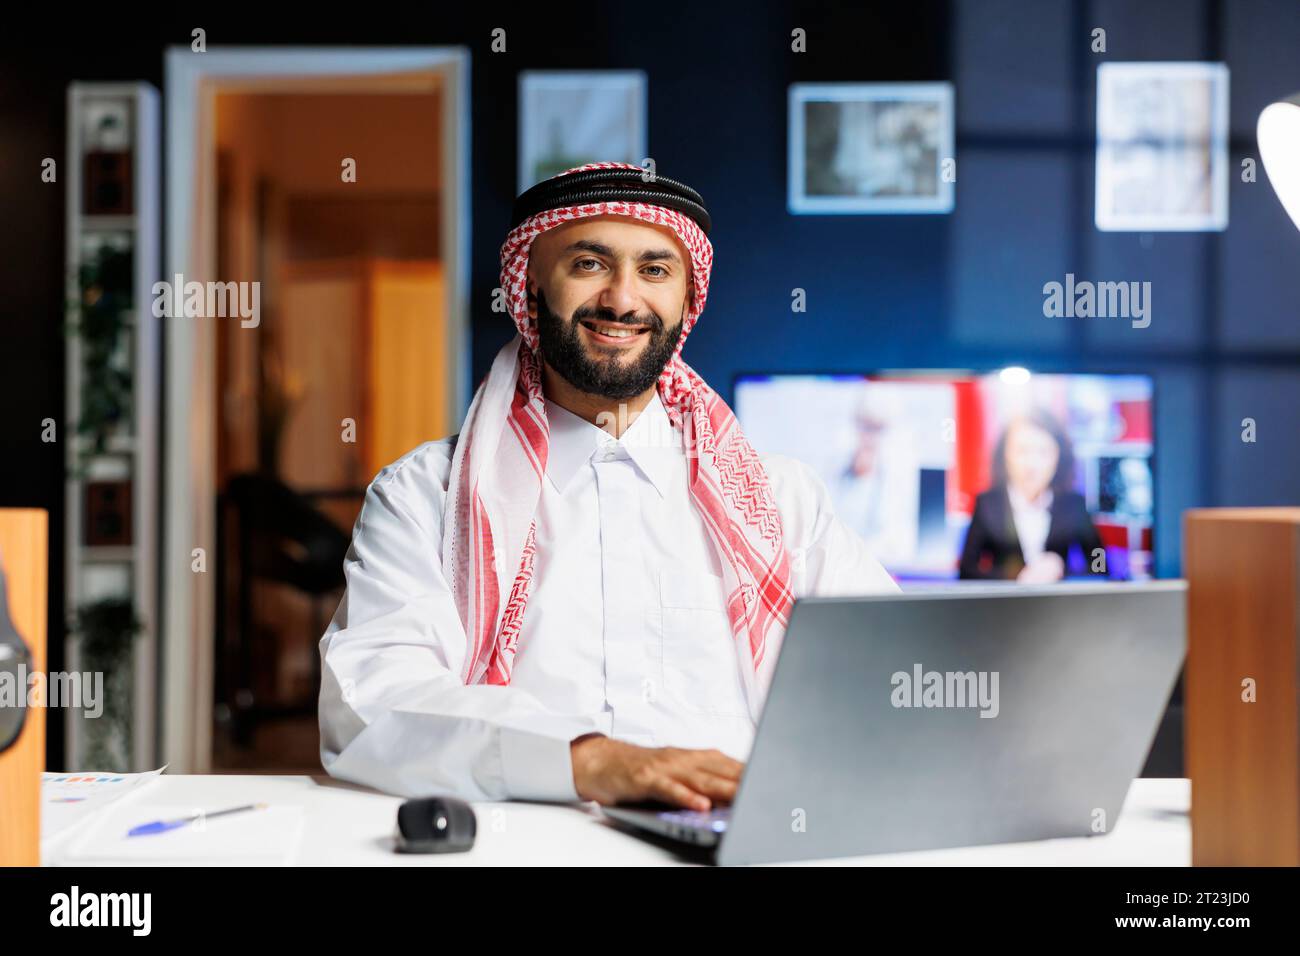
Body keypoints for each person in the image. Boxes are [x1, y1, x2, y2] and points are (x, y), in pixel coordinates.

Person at [319, 163, 898, 812]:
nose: (623, 299)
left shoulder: (784, 501)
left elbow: (897, 673)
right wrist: (586, 761)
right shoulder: (424, 495)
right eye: (590, 263)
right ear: (532, 284)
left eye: (655, 270)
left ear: (687, 297)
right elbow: (370, 701)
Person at [958, 410, 1104, 582]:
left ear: (1058, 456)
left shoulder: (1074, 504)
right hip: (1004, 606)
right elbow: (967, 570)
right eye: (1022, 451)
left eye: (1043, 452)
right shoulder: (987, 504)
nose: (1032, 464)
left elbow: (1100, 563)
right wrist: (1018, 577)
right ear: (1006, 454)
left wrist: (1061, 572)